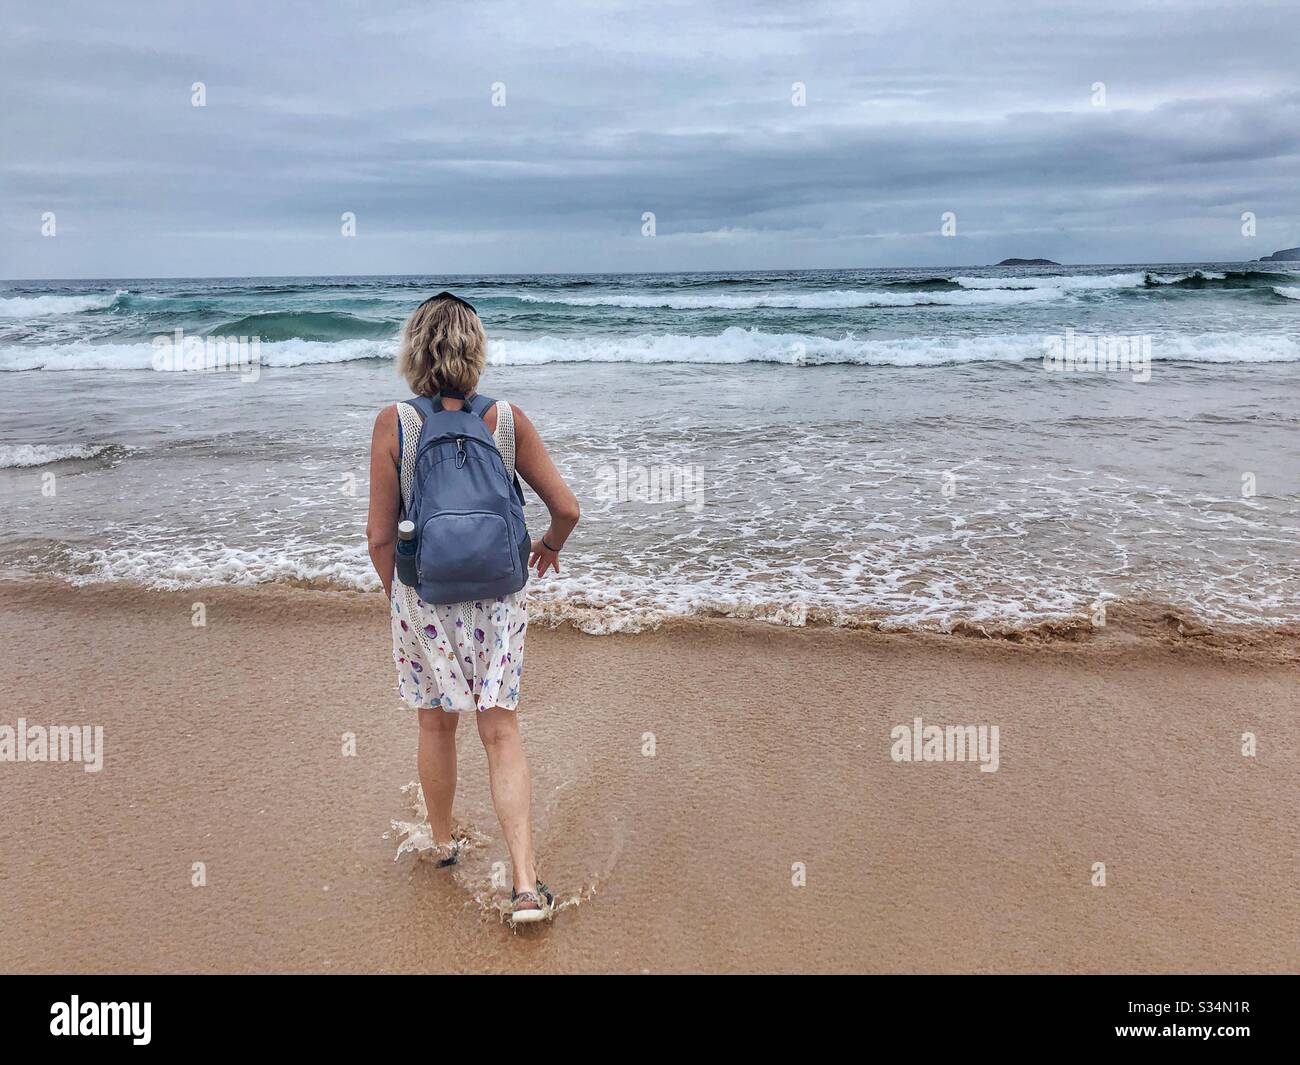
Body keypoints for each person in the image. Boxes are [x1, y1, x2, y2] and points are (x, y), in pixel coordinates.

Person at [365, 292, 580, 922]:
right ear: (476, 351)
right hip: (499, 598)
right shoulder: (508, 419)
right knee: (501, 729)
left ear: (416, 349)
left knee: (436, 724)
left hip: (424, 596)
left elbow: (379, 536)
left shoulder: (395, 423)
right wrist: (547, 548)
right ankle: (524, 885)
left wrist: (403, 599)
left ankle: (440, 844)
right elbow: (566, 509)